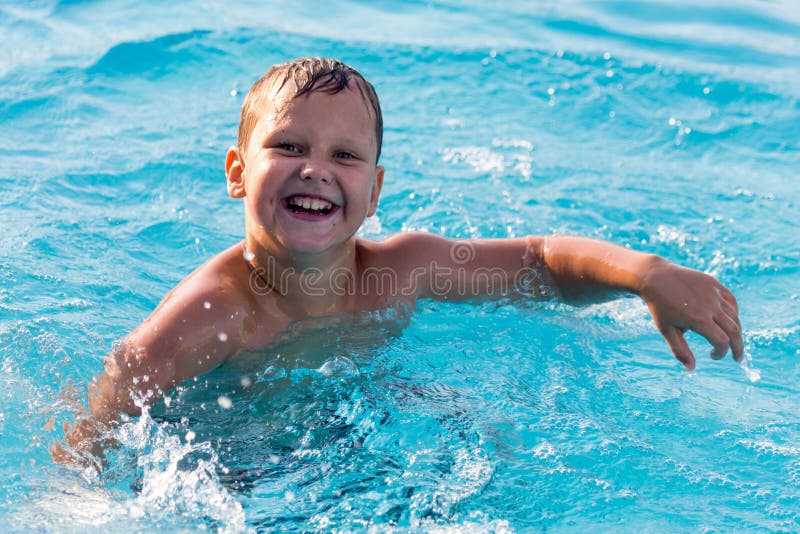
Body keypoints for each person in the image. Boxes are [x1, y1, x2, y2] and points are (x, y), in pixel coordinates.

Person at [52, 57, 743, 467]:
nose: (315, 171)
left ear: (375, 189)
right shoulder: (217, 315)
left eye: (344, 156)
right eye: (288, 147)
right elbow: (116, 391)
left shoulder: (402, 269)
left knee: (477, 436)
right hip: (232, 450)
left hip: (350, 417)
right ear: (237, 171)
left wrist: (644, 273)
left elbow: (540, 262)